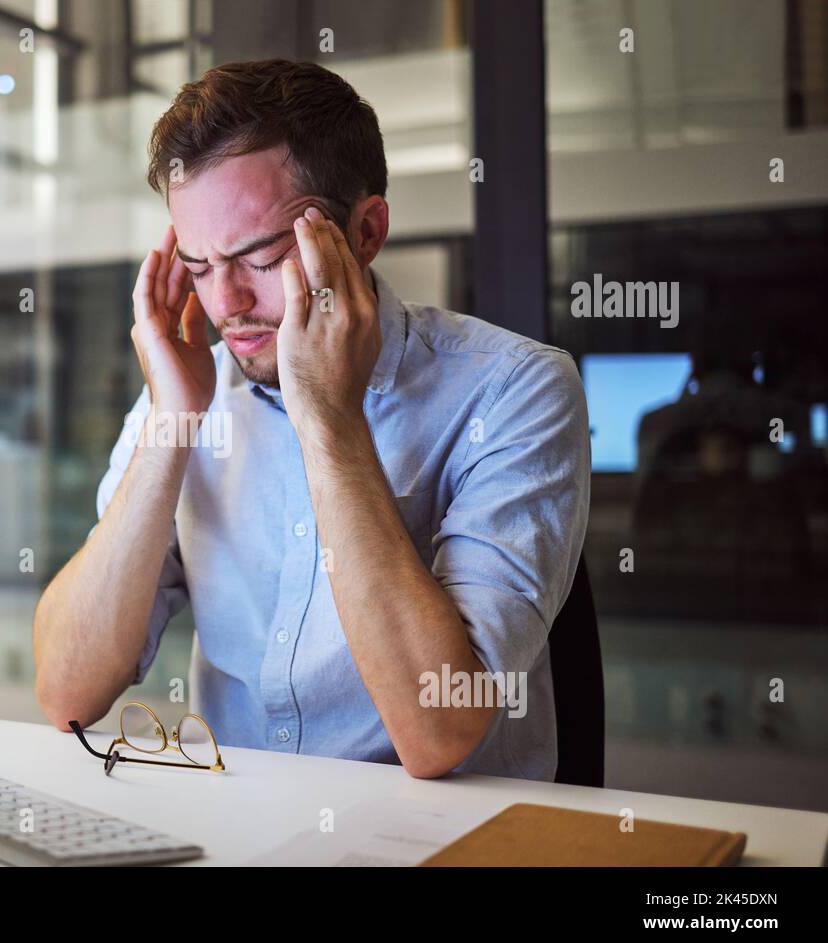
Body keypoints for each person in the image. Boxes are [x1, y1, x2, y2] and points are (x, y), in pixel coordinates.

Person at [32, 59, 590, 780]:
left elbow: (439, 731)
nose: (226, 301)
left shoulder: (515, 391)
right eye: (198, 265)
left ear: (365, 231)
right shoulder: (193, 393)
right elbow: (67, 692)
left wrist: (328, 417)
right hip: (239, 830)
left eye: (258, 256)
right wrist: (171, 419)